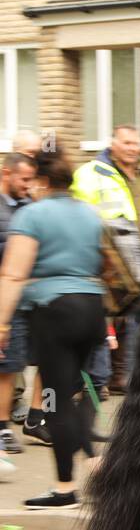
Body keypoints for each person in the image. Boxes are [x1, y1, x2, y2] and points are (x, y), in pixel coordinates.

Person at [0, 145, 107, 508]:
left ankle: (65, 488)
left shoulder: (33, 215)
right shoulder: (89, 214)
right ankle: (96, 463)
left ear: (43, 180)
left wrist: (1, 323)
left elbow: (13, 273)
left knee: (56, 401)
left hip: (54, 312)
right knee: (73, 392)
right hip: (92, 308)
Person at [71, 123, 140, 394]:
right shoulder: (90, 174)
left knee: (138, 314)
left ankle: (125, 376)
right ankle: (95, 380)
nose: (132, 148)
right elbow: (83, 212)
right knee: (105, 316)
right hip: (109, 257)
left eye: (136, 143)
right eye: (126, 143)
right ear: (113, 144)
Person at [0, 152, 36, 455]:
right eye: (24, 179)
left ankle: (38, 418)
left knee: (11, 367)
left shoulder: (29, 208)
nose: (28, 185)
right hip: (4, 298)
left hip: (24, 301)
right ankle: (1, 428)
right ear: (6, 173)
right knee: (5, 367)